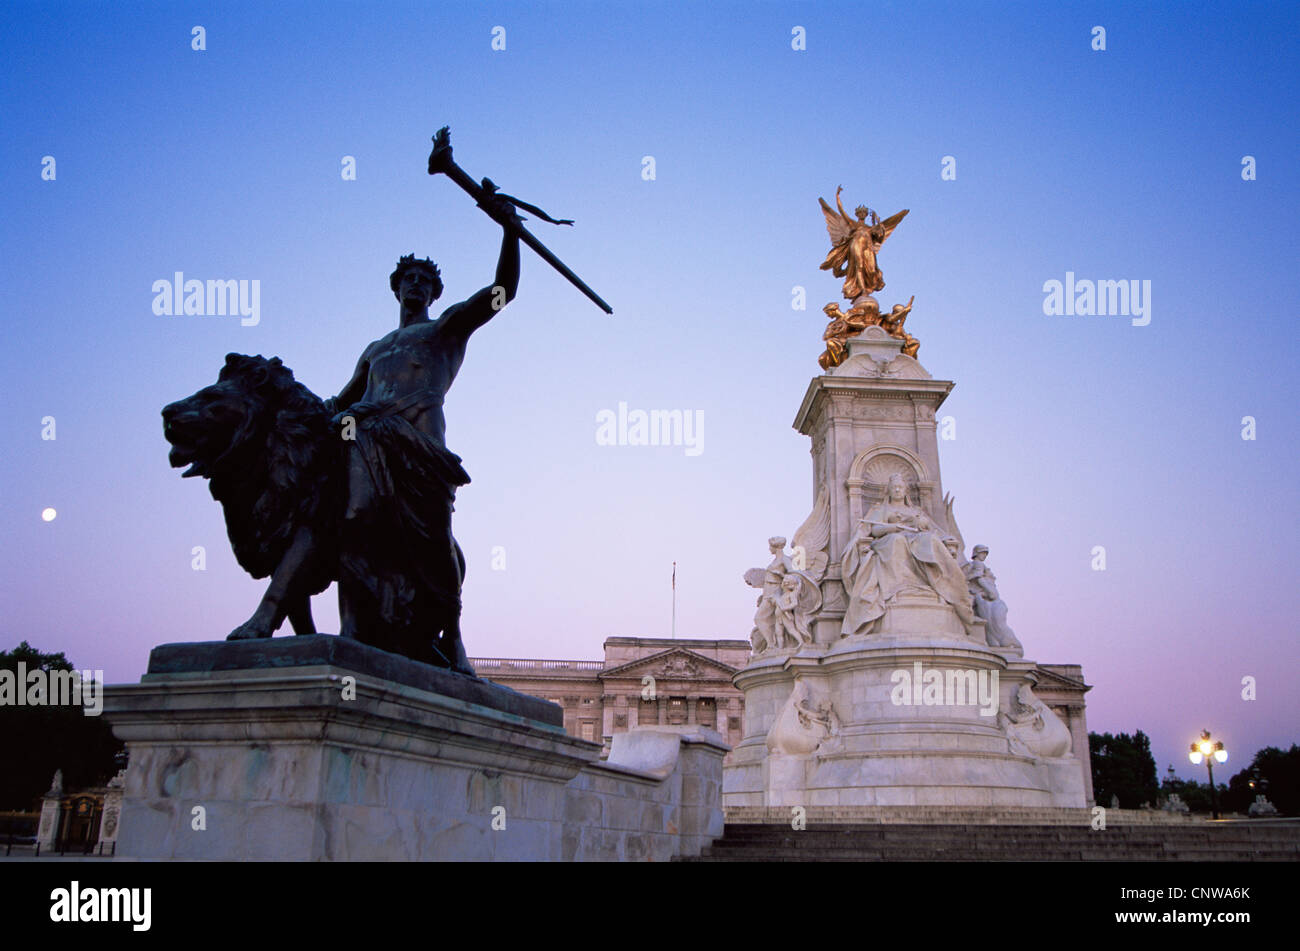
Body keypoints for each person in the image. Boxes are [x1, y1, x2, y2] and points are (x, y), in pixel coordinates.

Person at [326, 197, 522, 673]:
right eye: (407, 279)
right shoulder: (375, 349)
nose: (415, 284)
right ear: (396, 290)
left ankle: (452, 634)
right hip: (368, 432)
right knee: (349, 518)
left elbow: (502, 292)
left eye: (423, 280)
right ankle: (352, 629)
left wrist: (509, 231)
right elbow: (341, 402)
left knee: (434, 532)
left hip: (420, 434)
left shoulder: (444, 330)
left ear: (434, 292)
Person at [840, 473, 976, 638]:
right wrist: (892, 527)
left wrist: (931, 530)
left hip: (915, 538)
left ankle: (935, 587)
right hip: (887, 540)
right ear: (888, 490)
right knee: (897, 541)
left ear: (905, 491)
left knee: (931, 541)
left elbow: (933, 530)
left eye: (900, 487)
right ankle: (899, 589)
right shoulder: (881, 509)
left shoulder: (915, 511)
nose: (897, 490)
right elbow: (874, 529)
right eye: (894, 487)